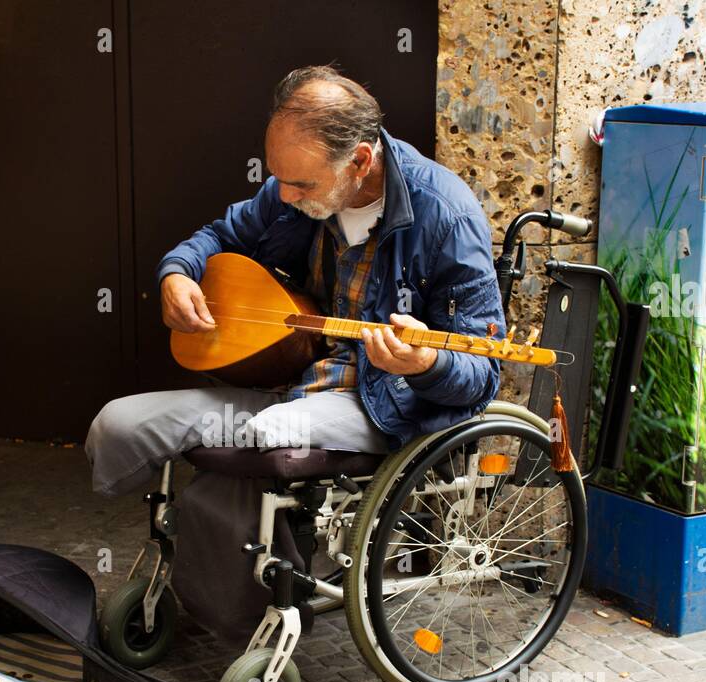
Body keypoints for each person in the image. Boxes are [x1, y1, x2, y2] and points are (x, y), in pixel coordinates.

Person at [85, 64, 504, 644]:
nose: (283, 195)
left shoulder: (447, 218)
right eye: (279, 178)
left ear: (359, 161)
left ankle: (249, 600)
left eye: (301, 185)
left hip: (378, 400)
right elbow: (219, 235)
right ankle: (197, 573)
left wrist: (426, 363)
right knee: (121, 423)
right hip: (286, 375)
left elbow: (484, 374)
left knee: (266, 434)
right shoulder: (291, 187)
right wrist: (177, 273)